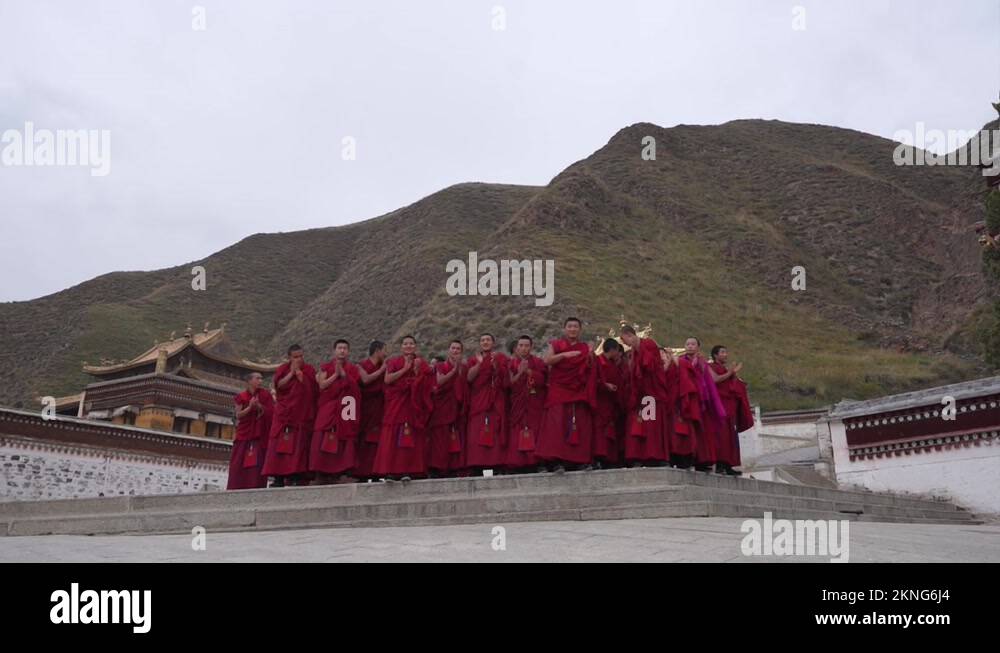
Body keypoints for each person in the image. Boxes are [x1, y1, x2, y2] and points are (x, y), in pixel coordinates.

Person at [536, 318, 596, 472]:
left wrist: (590, 355)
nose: (572, 329)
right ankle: (556, 461)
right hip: (559, 389)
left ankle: (579, 460)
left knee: (579, 424)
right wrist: (565, 355)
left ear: (580, 330)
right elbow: (547, 361)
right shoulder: (556, 344)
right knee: (557, 424)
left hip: (578, 390)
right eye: (570, 326)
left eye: (576, 326)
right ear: (564, 329)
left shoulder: (583, 347)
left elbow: (589, 367)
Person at [373, 335, 434, 481]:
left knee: (409, 436)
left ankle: (408, 470)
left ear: (415, 346)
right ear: (401, 347)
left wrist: (418, 375)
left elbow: (428, 382)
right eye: (405, 344)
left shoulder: (421, 362)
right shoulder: (393, 362)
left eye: (411, 344)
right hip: (396, 403)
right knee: (393, 436)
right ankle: (391, 472)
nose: (408, 346)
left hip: (413, 405)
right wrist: (405, 369)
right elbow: (388, 379)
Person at [261, 344, 317, 486]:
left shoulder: (309, 370)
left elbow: (312, 391)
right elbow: (279, 385)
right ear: (289, 358)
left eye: (301, 356)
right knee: (279, 445)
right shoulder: (283, 369)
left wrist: (301, 376)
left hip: (301, 415)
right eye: (295, 357)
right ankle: (278, 477)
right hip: (284, 414)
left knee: (298, 445)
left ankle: (296, 476)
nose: (299, 359)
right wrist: (292, 373)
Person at [309, 339, 362, 484]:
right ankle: (321, 472)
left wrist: (344, 374)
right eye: (340, 348)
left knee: (345, 437)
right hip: (329, 406)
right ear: (334, 350)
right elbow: (322, 385)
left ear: (348, 351)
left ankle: (341, 472)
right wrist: (336, 374)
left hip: (346, 406)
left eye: (345, 348)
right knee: (322, 433)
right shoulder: (326, 367)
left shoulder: (352, 368)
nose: (342, 351)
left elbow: (355, 387)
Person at [618, 327, 670, 467]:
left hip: (651, 392)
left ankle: (654, 456)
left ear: (629, 335)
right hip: (639, 394)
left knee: (652, 424)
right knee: (638, 425)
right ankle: (639, 456)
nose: (625, 344)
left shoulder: (648, 344)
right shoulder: (633, 352)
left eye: (624, 340)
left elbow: (652, 365)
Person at [465, 333, 510, 474]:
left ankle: (497, 465)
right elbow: (469, 378)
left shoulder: (500, 357)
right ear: (480, 343)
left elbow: (504, 377)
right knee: (477, 432)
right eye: (482, 340)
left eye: (488, 340)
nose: (485, 342)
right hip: (479, 401)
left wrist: (494, 364)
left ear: (493, 342)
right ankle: (477, 465)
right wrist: (481, 363)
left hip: (495, 400)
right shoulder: (473, 360)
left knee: (496, 431)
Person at [682, 337, 726, 473]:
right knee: (689, 432)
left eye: (693, 344)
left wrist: (711, 401)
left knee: (703, 433)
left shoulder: (702, 363)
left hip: (702, 401)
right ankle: (688, 459)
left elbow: (709, 383)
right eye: (687, 344)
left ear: (698, 347)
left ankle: (702, 461)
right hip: (688, 400)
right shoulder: (681, 361)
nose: (690, 346)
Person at [709, 345, 753, 475]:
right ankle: (720, 464)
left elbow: (733, 385)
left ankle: (729, 465)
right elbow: (715, 379)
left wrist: (733, 375)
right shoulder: (711, 367)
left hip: (729, 408)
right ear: (715, 355)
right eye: (722, 352)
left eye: (726, 352)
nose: (725, 355)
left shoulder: (724, 369)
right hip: (718, 407)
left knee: (730, 438)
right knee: (720, 437)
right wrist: (730, 373)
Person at [505, 335, 547, 472]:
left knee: (536, 430)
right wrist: (520, 372)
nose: (523, 349)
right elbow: (508, 385)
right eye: (521, 346)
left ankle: (536, 462)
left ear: (531, 347)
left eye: (526, 346)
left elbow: (543, 381)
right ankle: (518, 464)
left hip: (534, 402)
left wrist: (529, 372)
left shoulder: (538, 362)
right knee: (517, 432)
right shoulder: (510, 363)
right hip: (518, 404)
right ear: (516, 348)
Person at [227, 372, 274, 490]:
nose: (260, 381)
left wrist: (259, 407)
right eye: (257, 378)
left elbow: (271, 412)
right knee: (239, 461)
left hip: (259, 435)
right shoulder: (241, 396)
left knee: (257, 463)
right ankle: (236, 486)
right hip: (244, 433)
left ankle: (255, 486)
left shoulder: (265, 395)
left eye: (261, 378)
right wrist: (250, 407)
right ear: (249, 380)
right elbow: (238, 415)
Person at [428, 340, 467, 476]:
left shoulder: (464, 367)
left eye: (458, 349)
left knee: (455, 438)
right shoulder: (440, 366)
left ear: (461, 352)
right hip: (442, 407)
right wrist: (454, 371)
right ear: (448, 350)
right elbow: (439, 381)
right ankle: (438, 468)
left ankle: (454, 467)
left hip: (457, 406)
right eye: (453, 348)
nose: (455, 351)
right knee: (440, 439)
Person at [355, 340, 388, 480]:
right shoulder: (361, 365)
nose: (386, 354)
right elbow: (365, 380)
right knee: (363, 440)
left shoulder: (383, 366)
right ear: (377, 351)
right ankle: (361, 473)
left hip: (379, 407)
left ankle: (375, 472)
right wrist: (382, 370)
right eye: (384, 350)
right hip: (365, 407)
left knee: (376, 440)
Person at [593, 338, 627, 468]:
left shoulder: (612, 364)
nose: (618, 354)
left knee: (609, 431)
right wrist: (604, 385)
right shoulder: (598, 361)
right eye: (617, 351)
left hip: (611, 403)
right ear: (612, 350)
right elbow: (592, 380)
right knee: (599, 431)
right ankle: (598, 457)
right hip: (600, 402)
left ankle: (609, 458)